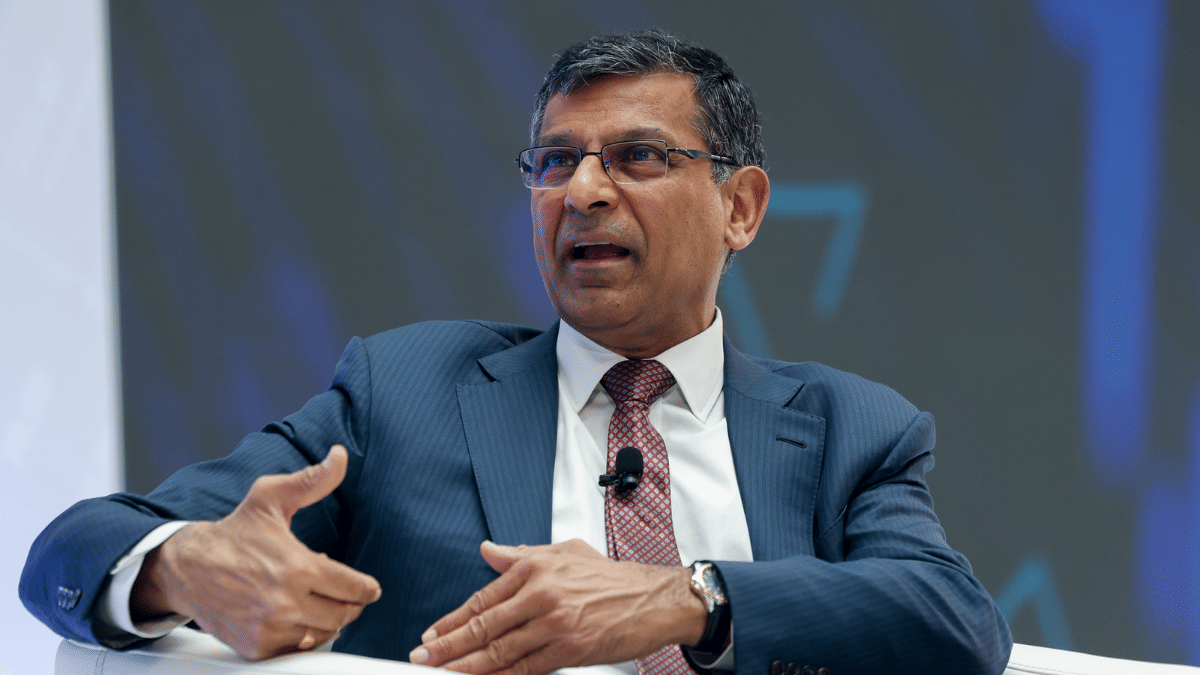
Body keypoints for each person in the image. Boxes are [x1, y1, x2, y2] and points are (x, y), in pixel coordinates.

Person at [20, 30, 1012, 675]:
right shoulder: (404, 393)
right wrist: (182, 566)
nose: (582, 192)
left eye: (637, 157)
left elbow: (955, 621)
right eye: (554, 161)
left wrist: (685, 598)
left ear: (740, 208)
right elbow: (71, 547)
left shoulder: (847, 428)